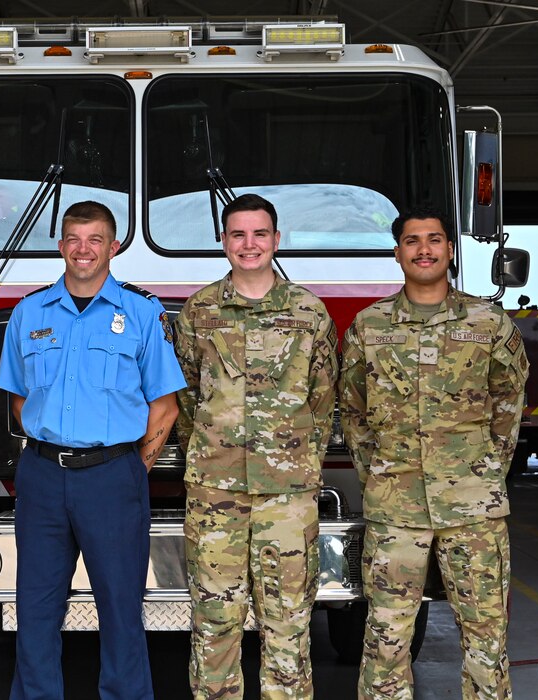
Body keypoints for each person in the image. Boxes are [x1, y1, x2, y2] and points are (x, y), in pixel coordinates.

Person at [0, 201, 186, 700]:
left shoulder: (142, 314)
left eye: (95, 239)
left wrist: (128, 468)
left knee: (121, 610)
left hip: (113, 477)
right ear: (61, 246)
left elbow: (164, 407)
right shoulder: (28, 313)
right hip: (41, 476)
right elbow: (19, 399)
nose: (84, 250)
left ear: (113, 247)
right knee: (35, 609)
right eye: (74, 239)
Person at [339, 206, 529, 700]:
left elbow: (509, 403)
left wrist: (485, 472)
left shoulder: (489, 323)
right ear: (397, 252)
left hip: (472, 508)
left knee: (486, 635)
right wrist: (378, 476)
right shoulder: (370, 325)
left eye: (434, 239)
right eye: (412, 240)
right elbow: (353, 412)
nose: (424, 249)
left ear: (450, 249)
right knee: (385, 638)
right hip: (395, 508)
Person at [174, 193, 338, 699]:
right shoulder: (198, 311)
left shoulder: (310, 313)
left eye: (259, 234)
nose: (249, 244)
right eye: (238, 234)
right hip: (214, 494)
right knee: (214, 621)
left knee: (287, 623)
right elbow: (184, 396)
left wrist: (298, 465)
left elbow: (324, 397)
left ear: (276, 240)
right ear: (223, 241)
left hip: (287, 496)